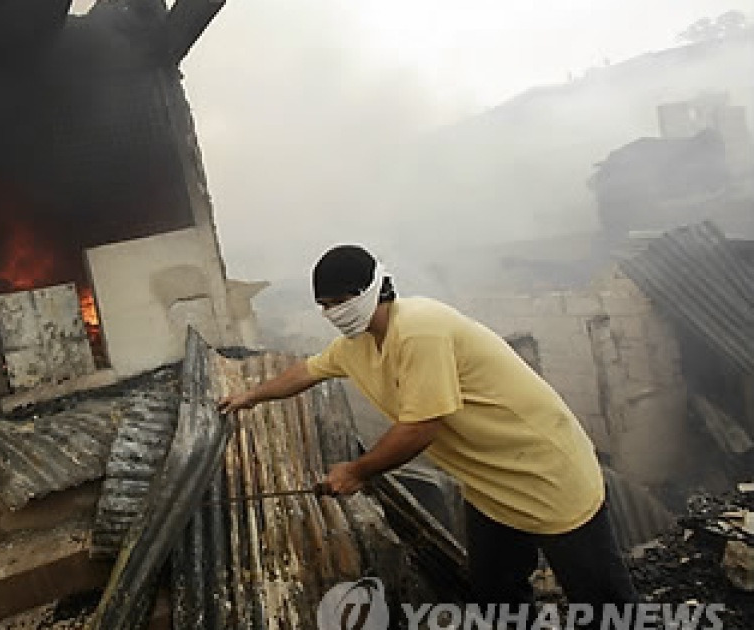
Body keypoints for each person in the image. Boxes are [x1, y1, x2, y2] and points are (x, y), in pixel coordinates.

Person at [218, 245, 637, 618]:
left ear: (372, 290)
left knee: (603, 601)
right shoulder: (357, 345)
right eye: (324, 305)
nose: (332, 313)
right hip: (490, 484)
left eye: (340, 301)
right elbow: (306, 371)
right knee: (496, 594)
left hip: (546, 472)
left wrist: (357, 471)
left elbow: (420, 429)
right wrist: (250, 397)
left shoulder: (420, 329)